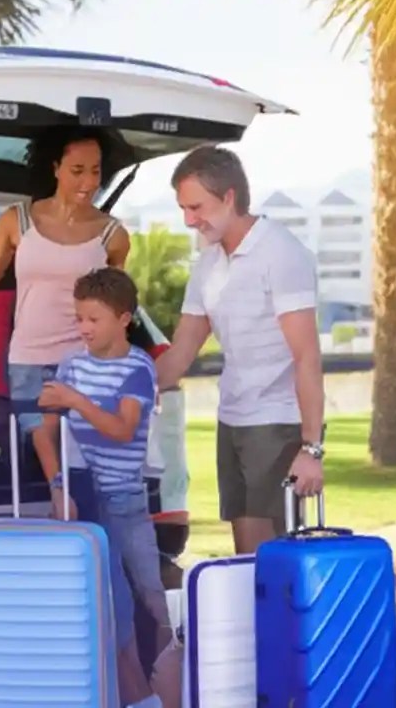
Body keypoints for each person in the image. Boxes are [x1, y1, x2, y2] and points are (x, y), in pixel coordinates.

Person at [0, 125, 131, 518]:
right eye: (78, 170)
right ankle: (60, 497)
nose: (88, 182)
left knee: (79, 443)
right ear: (56, 168)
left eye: (96, 171)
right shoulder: (18, 220)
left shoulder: (113, 235)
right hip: (28, 351)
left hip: (84, 355)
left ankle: (80, 511)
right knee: (40, 429)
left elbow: (118, 300)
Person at [155, 146, 327, 556]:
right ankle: (256, 623)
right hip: (233, 419)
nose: (188, 220)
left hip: (277, 423)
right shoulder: (209, 261)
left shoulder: (281, 253)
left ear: (229, 197)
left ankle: (281, 624)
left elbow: (307, 357)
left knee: (277, 560)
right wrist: (118, 390)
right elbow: (181, 351)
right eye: (183, 208)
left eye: (196, 206)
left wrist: (311, 449)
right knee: (247, 556)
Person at [35, 268, 171, 708]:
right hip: (86, 498)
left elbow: (121, 428)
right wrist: (58, 487)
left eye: (94, 319)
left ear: (124, 318)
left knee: (152, 593)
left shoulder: (139, 368)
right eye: (79, 319)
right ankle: (130, 692)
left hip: (126, 500)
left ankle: (173, 669)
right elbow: (44, 434)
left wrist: (75, 400)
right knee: (106, 599)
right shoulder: (71, 365)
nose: (84, 329)